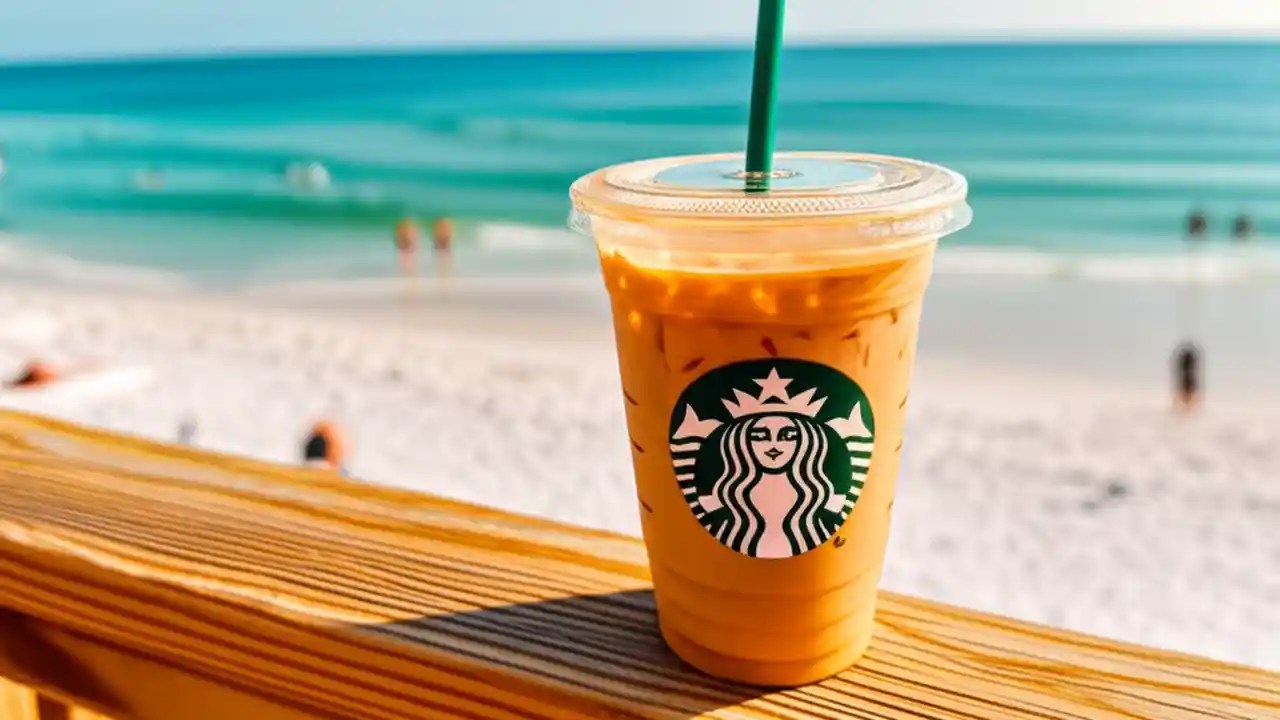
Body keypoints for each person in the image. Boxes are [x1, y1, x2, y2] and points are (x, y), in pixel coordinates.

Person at [1172, 341, 1202, 413]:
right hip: (1187, 379)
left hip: (1187, 379)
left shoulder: (1188, 371)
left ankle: (1187, 407)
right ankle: (1187, 407)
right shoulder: (1188, 371)